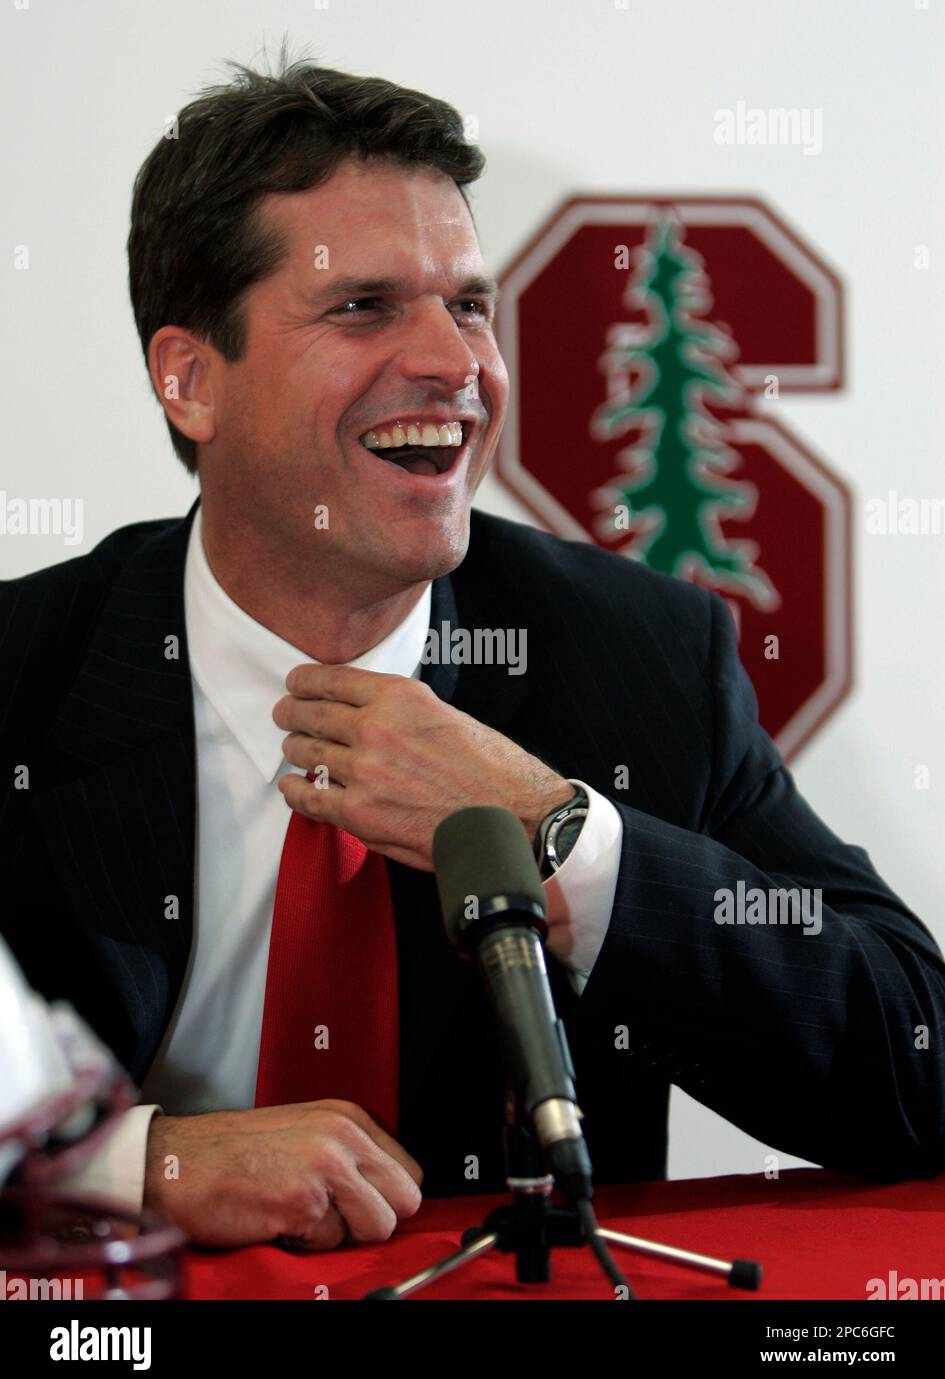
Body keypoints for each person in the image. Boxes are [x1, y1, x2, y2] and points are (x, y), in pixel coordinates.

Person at [3, 53, 944, 1254]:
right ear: (191, 378)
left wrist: (565, 838)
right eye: (365, 306)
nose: (457, 366)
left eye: (469, 305)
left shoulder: (640, 658)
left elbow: (922, 1060)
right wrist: (138, 1161)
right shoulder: (26, 672)